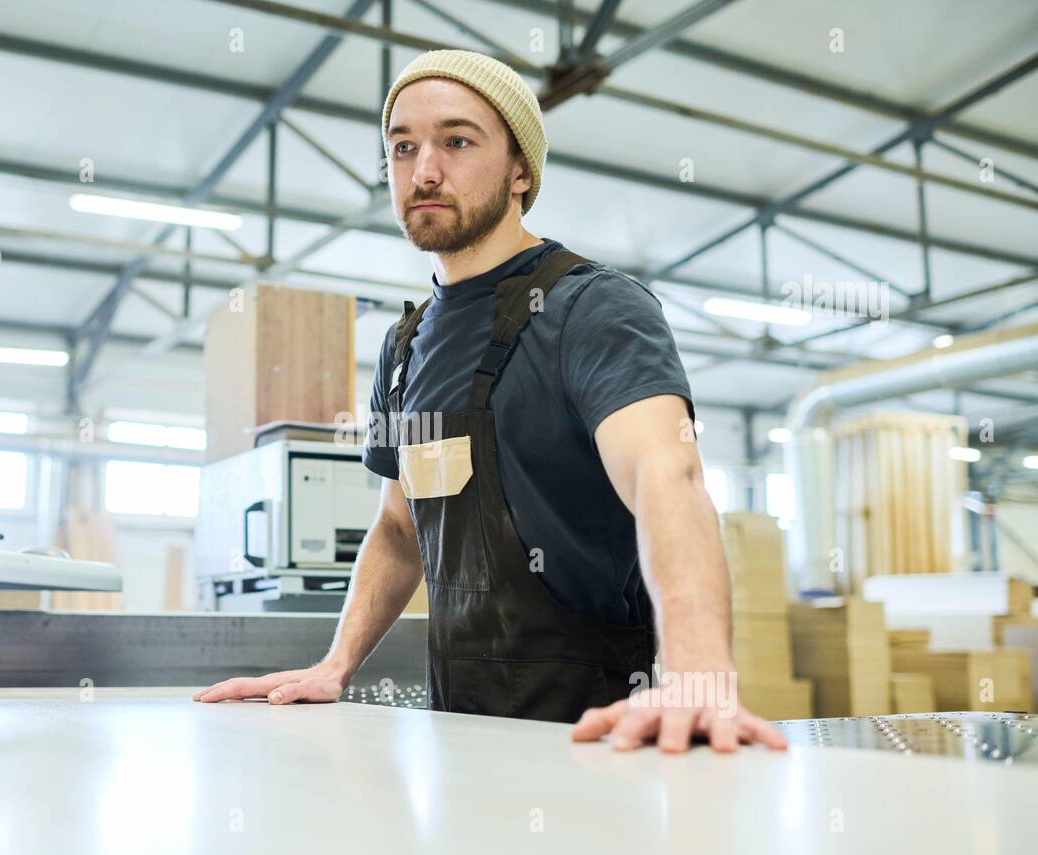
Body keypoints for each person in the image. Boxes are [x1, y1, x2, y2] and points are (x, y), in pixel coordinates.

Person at [197, 49, 787, 754]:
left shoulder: (591, 308)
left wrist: (697, 678)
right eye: (403, 148)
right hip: (462, 739)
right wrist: (337, 664)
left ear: (521, 171)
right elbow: (397, 531)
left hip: (604, 740)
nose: (425, 171)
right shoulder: (405, 345)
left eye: (457, 141)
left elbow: (669, 474)